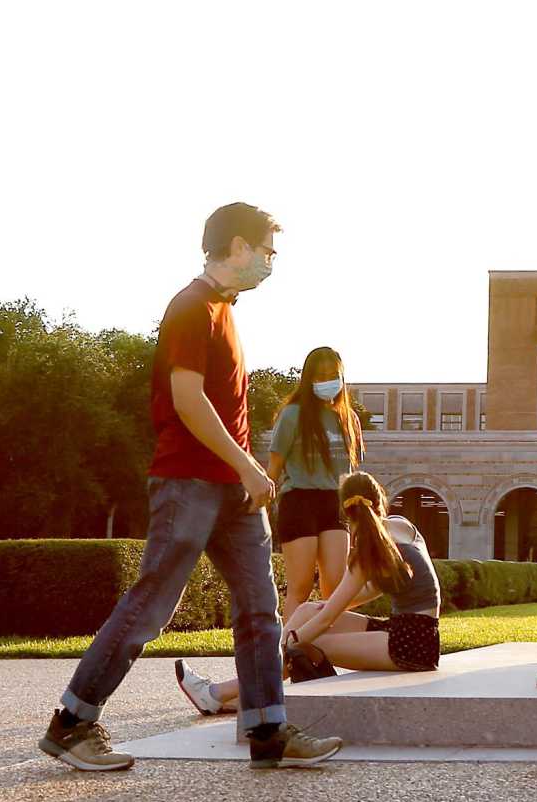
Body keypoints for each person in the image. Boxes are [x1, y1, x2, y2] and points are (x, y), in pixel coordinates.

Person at [38, 202, 341, 771]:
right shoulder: (191, 307)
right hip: (188, 481)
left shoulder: (225, 311)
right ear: (238, 247)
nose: (272, 263)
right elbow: (188, 401)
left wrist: (244, 472)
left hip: (232, 488)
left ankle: (268, 730)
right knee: (152, 604)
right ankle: (73, 722)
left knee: (260, 608)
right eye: (268, 251)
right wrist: (251, 466)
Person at [176, 470, 441, 712]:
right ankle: (247, 694)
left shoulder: (366, 553)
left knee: (305, 645)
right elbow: (360, 597)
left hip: (412, 648)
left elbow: (328, 619)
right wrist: (320, 611)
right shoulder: (401, 527)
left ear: (345, 511)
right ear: (380, 498)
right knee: (307, 610)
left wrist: (292, 641)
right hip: (410, 632)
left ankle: (216, 693)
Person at [265, 347, 364, 620]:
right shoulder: (292, 415)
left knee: (336, 586)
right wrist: (257, 507)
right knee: (301, 586)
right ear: (308, 379)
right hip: (299, 500)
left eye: (333, 375)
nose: (327, 381)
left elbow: (350, 474)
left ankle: (325, 647)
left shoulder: (348, 420)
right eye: (320, 376)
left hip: (334, 504)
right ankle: (289, 653)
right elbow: (273, 467)